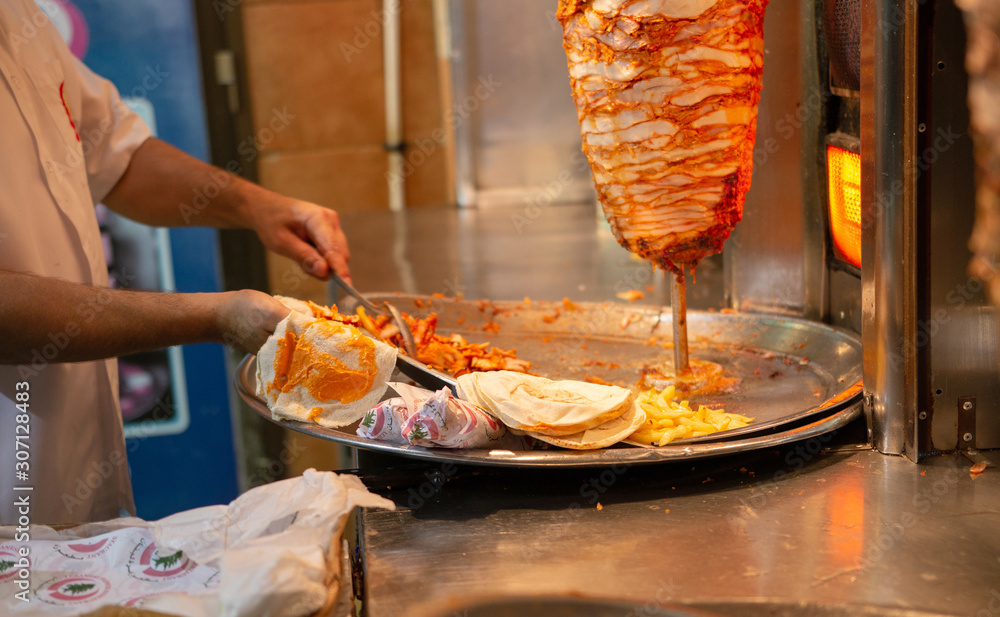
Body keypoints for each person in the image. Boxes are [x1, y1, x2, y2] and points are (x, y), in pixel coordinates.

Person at [0, 0, 351, 524]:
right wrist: (215, 317)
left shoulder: (18, 18)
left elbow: (114, 154)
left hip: (70, 469)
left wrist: (257, 207)